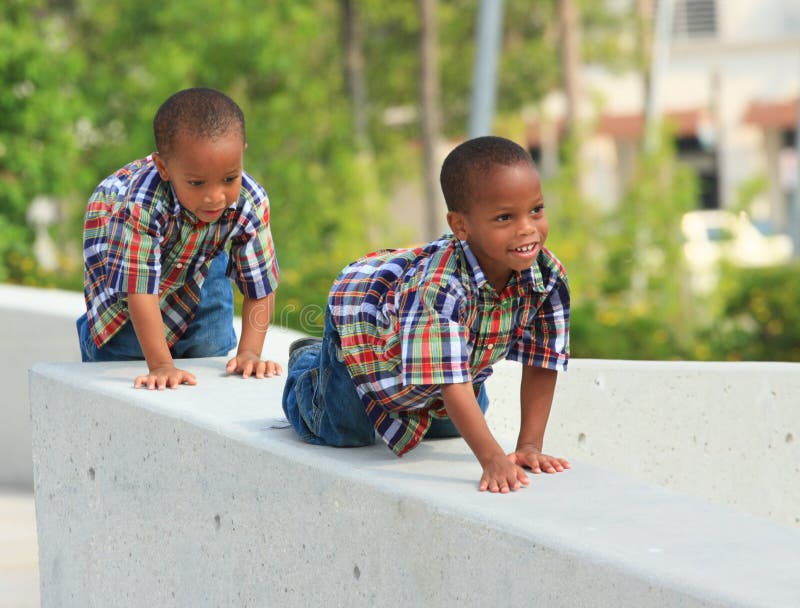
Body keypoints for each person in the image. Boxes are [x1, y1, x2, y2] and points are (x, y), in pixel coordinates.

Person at [282, 135, 570, 493]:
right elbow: (452, 384)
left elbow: (542, 360)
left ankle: (418, 400)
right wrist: (492, 459)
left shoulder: (547, 276)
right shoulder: (440, 286)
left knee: (450, 428)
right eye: (504, 217)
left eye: (536, 210)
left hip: (445, 365)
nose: (527, 228)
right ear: (461, 226)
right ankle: (310, 363)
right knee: (343, 431)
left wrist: (528, 446)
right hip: (367, 337)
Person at [77, 87, 280, 390]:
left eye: (229, 179)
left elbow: (260, 282)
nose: (215, 197)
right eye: (197, 183)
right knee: (125, 349)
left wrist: (250, 352)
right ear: (164, 168)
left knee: (210, 342)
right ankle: (114, 342)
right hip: (121, 265)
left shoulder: (250, 201)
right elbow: (139, 290)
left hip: (198, 250)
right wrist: (161, 366)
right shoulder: (137, 205)